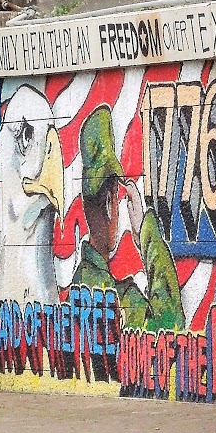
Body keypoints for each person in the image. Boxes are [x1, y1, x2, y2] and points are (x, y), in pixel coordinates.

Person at [72, 106, 183, 331]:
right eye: (117, 199)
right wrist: (146, 232)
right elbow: (170, 325)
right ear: (109, 204)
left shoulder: (80, 285)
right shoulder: (116, 302)